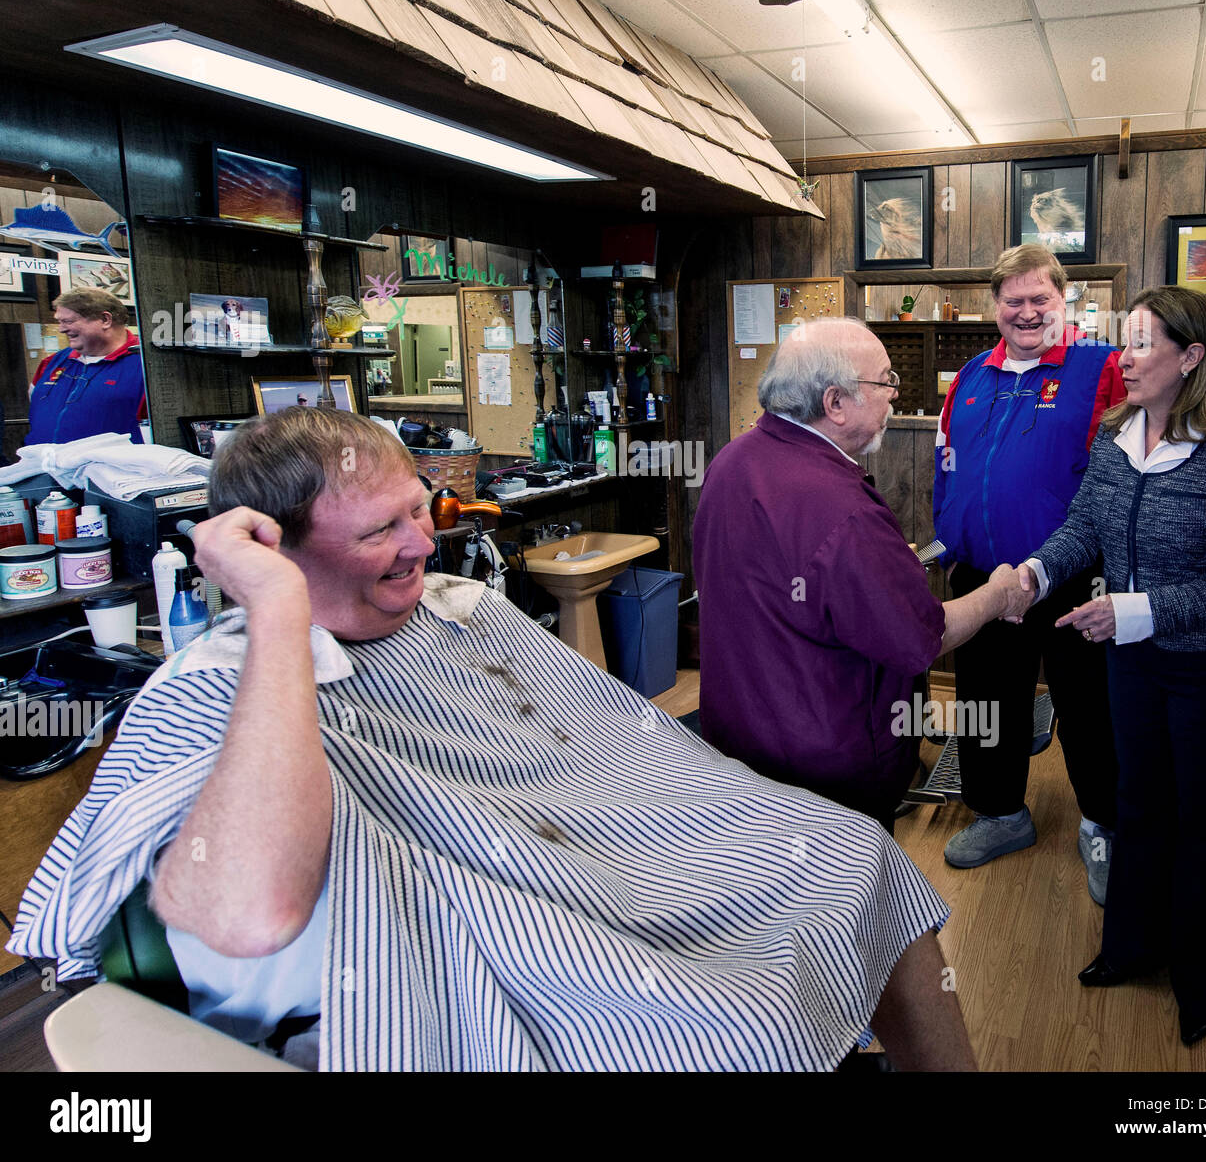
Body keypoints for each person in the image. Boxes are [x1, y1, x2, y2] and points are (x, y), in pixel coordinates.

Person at [10, 406, 978, 1072]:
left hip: (613, 849)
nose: (423, 542)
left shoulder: (458, 607)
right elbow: (246, 914)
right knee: (740, 1024)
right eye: (380, 530)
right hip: (477, 933)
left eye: (418, 509)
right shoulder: (218, 684)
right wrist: (272, 614)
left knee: (857, 852)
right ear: (274, 546)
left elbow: (612, 745)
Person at [1019, 286, 1206, 1047]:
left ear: (1192, 357)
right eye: (1122, 341)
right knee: (1142, 807)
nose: (1122, 358)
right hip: (1136, 665)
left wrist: (1132, 612)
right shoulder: (1116, 436)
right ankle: (1134, 946)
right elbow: (1082, 529)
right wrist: (1032, 575)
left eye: (1140, 344)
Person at [693, 317, 1034, 829]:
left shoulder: (731, 460)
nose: (894, 395)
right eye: (885, 381)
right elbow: (920, 637)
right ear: (834, 403)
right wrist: (999, 595)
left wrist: (880, 566)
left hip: (738, 739)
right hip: (825, 767)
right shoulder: (844, 510)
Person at [933, 245, 1123, 897]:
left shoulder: (1102, 368)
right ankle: (1001, 813)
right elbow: (953, 465)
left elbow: (1122, 481)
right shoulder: (970, 376)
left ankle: (1105, 824)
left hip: (1072, 574)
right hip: (984, 576)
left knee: (1089, 704)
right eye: (1013, 300)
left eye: (1039, 297)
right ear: (995, 307)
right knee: (988, 699)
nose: (1026, 310)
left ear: (1062, 299)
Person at [25, 288, 146, 445]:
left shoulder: (145, 365)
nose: (61, 329)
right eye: (59, 321)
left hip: (108, 468)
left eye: (68, 321)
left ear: (105, 320)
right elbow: (35, 402)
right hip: (42, 467)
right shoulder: (53, 362)